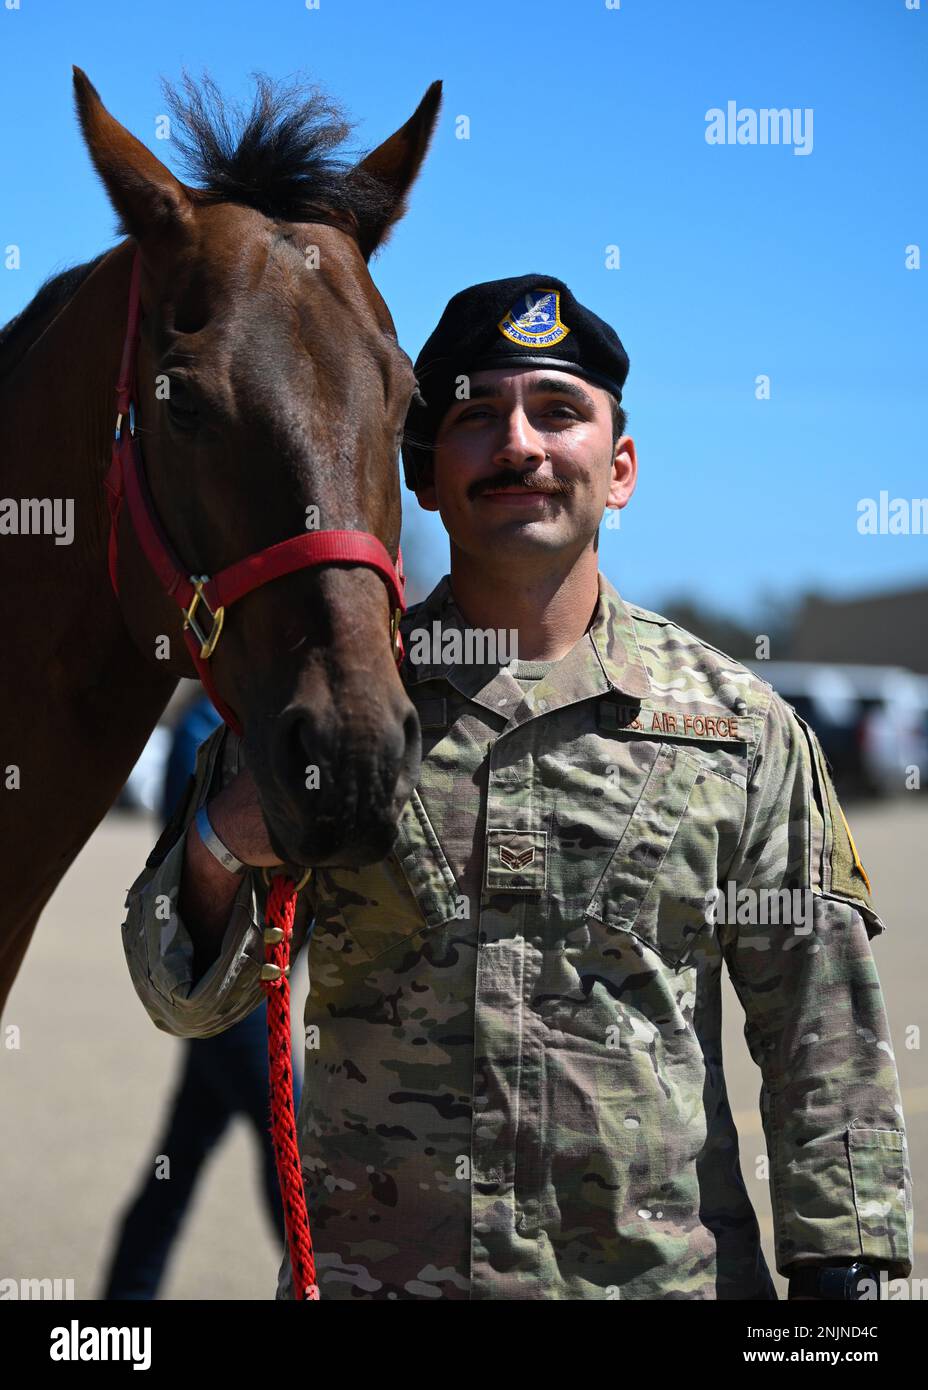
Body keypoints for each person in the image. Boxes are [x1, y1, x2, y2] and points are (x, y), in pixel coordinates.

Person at [119, 276, 913, 1301]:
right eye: (476, 417)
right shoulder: (333, 717)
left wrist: (838, 1292)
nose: (521, 445)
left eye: (560, 412)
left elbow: (825, 1043)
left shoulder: (739, 731)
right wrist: (226, 843)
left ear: (619, 467)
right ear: (421, 475)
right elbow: (182, 997)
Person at [102, 693, 303, 1299]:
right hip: (225, 983)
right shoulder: (204, 724)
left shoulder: (280, 711)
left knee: (178, 1163)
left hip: (244, 989)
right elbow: (180, 848)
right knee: (292, 1162)